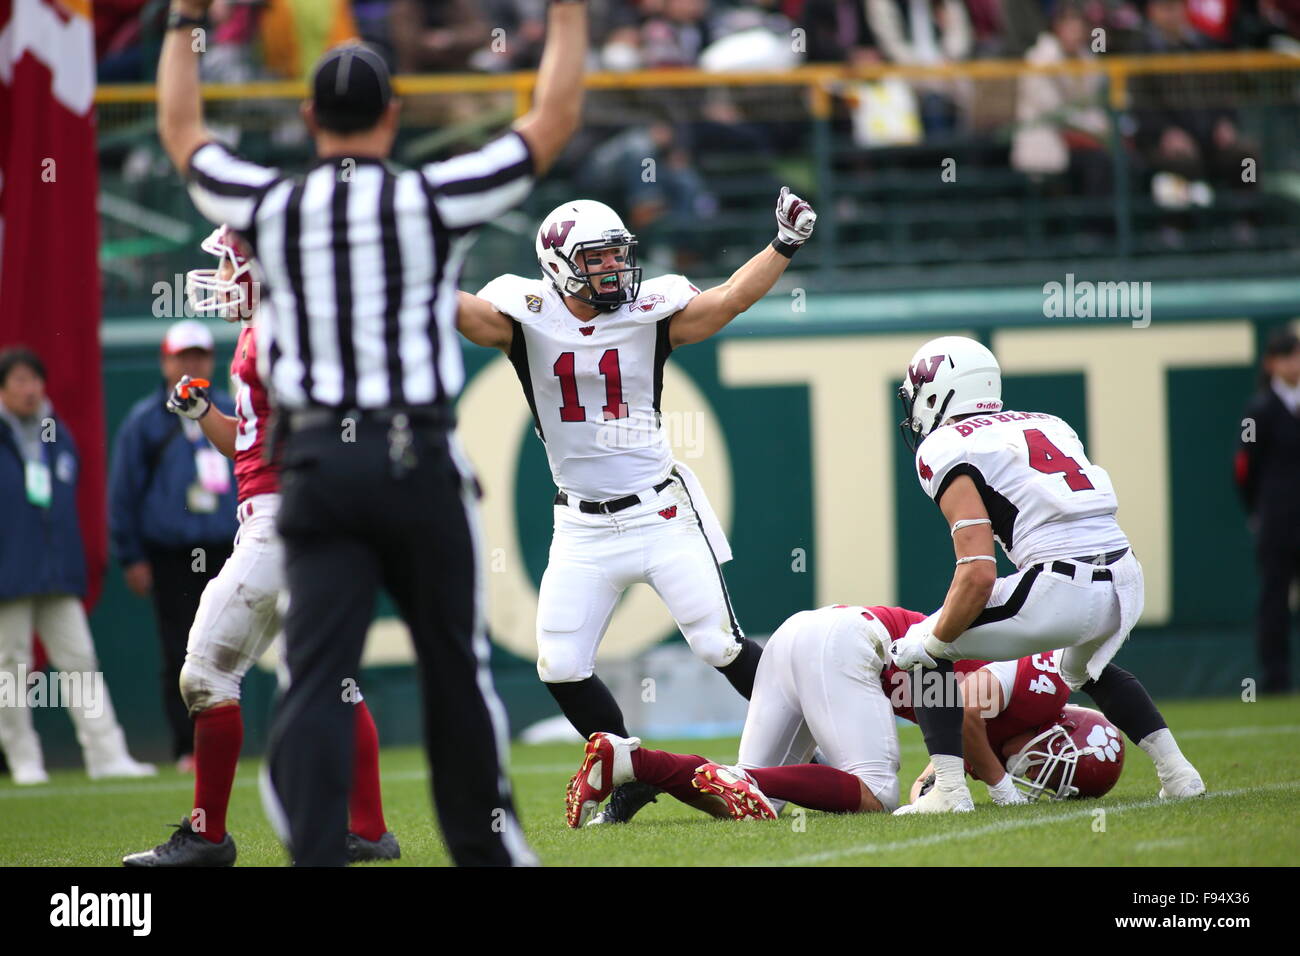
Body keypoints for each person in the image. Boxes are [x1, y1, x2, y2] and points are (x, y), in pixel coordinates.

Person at [156, 0, 589, 866]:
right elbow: (552, 118)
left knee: (316, 680)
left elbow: (180, 129)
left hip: (314, 469)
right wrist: (569, 11)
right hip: (417, 457)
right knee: (455, 679)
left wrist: (182, 21)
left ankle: (316, 848)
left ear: (309, 118)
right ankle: (485, 850)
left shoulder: (271, 206)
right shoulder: (431, 196)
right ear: (393, 116)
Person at [456, 186, 817, 824]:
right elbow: (457, 313)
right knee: (560, 664)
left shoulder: (650, 313)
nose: (615, 269)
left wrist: (783, 245)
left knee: (718, 645)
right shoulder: (524, 312)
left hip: (661, 513)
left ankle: (813, 759)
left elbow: (727, 299)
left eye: (618, 255)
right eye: (597, 259)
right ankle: (629, 768)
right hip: (579, 524)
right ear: (560, 264)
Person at [122, 227, 398, 866]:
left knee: (207, 673)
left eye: (225, 266)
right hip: (291, 516)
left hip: (285, 519)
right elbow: (246, 445)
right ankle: (370, 829)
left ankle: (208, 837)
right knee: (329, 677)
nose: (217, 281)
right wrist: (201, 414)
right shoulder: (263, 332)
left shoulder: (286, 331)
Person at [888, 335, 1205, 813]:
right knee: (1080, 668)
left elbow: (976, 573)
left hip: (1059, 585)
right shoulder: (1048, 423)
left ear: (938, 393)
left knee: (921, 651)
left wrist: (932, 642)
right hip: (1124, 579)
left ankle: (950, 793)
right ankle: (1179, 773)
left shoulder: (945, 446)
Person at [564, 605, 1123, 825]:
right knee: (875, 791)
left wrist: (947, 777)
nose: (1044, 769)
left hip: (798, 637)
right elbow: (964, 706)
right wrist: (1003, 791)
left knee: (759, 806)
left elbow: (944, 733)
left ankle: (632, 764)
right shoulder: (1037, 685)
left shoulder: (1017, 707)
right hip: (848, 643)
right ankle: (731, 776)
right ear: (1061, 727)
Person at [0, 348, 156, 784]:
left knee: (80, 660)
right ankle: (24, 760)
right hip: (8, 575)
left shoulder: (57, 433)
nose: (30, 389)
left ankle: (107, 754)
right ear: (3, 388)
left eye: (35, 380)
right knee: (10, 667)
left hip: (55, 572)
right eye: (19, 381)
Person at [109, 319, 238, 772]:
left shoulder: (227, 408)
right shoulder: (146, 421)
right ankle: (188, 746)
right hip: (172, 554)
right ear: (165, 362)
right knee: (181, 650)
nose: (191, 364)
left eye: (199, 356)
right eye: (183, 357)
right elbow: (123, 492)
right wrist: (132, 556)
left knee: (229, 648)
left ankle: (227, 744)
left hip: (228, 548)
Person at [1234, 329, 1300, 694]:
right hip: (1277, 522)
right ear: (1272, 363)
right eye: (1288, 356)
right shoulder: (1258, 410)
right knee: (1274, 601)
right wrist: (1258, 510)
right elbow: (1244, 466)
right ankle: (1277, 679)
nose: (1295, 363)